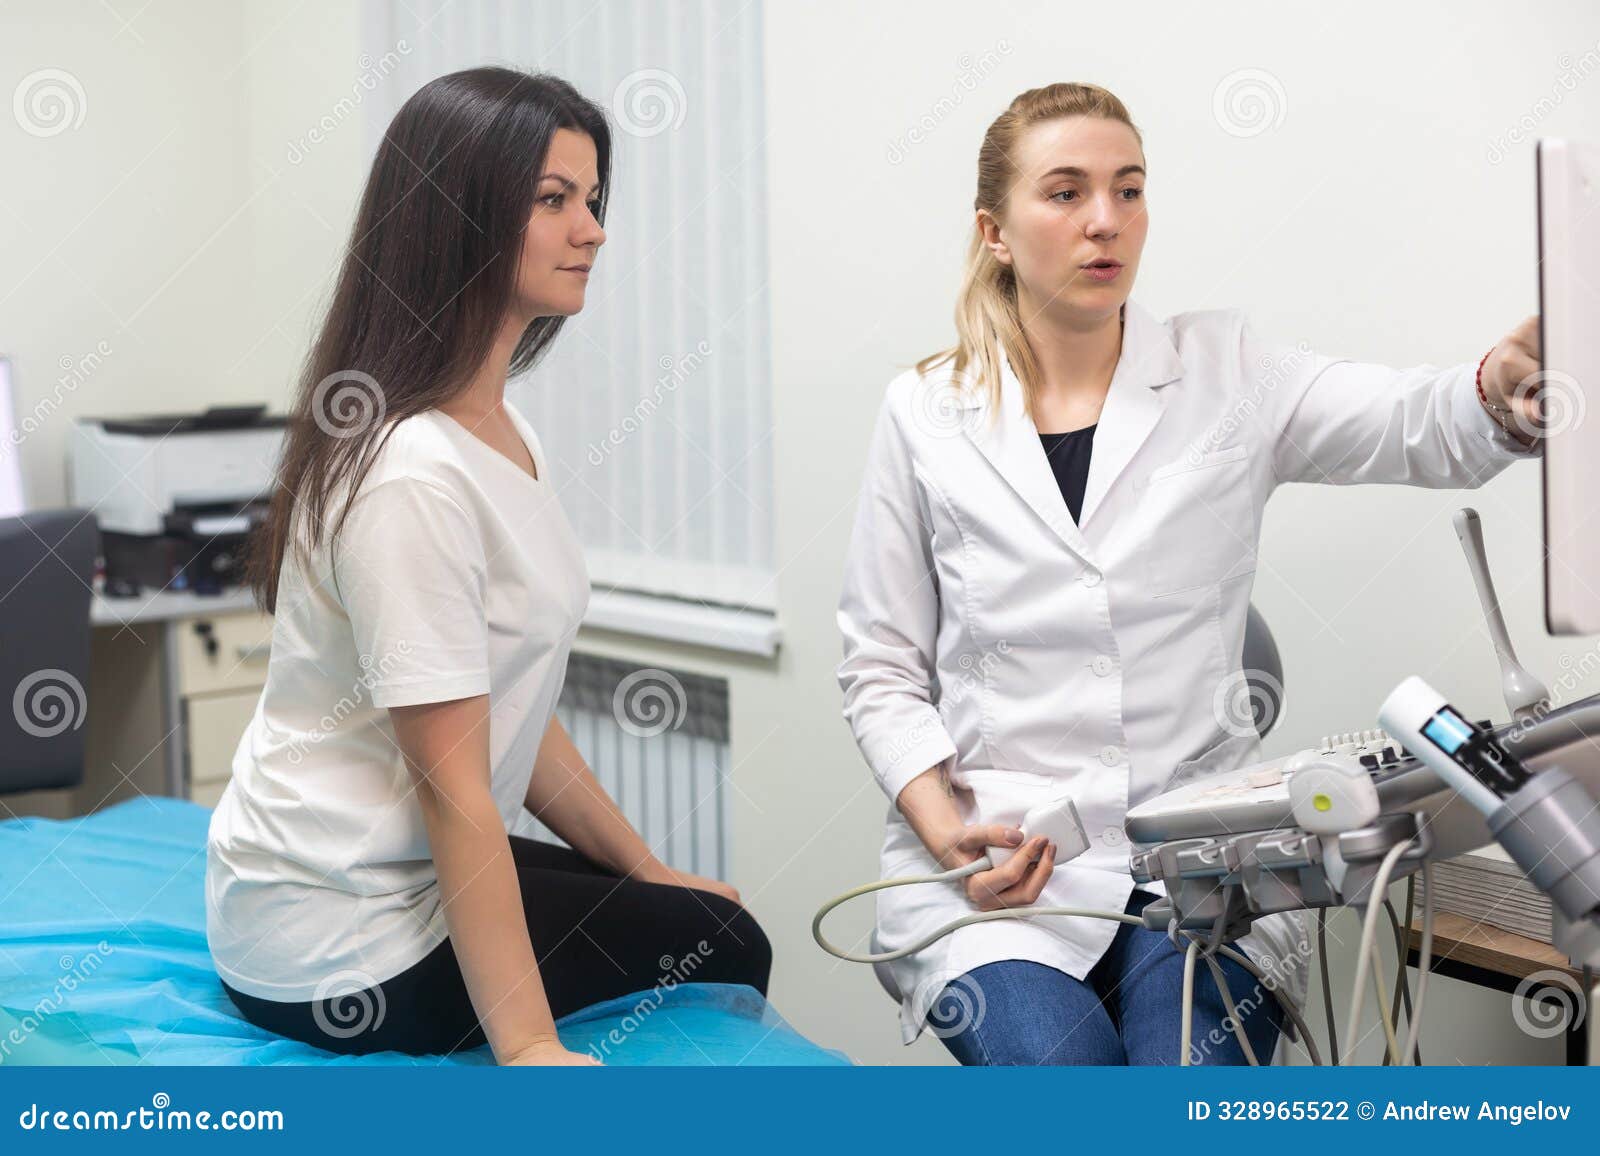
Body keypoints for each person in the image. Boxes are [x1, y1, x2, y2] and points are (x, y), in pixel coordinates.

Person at [836, 81, 1542, 1065]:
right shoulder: (924, 412)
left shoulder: (1225, 370)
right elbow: (877, 663)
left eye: (1128, 191)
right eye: (1066, 192)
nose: (1104, 222)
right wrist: (949, 832)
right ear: (994, 230)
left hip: (1206, 858)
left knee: (1188, 1091)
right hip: (1001, 875)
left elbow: (1411, 419)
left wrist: (1496, 393)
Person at [205, 67, 770, 1066]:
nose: (591, 229)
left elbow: (512, 698)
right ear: (454, 217)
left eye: (591, 200)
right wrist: (529, 1050)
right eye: (552, 201)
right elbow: (456, 789)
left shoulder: (501, 430)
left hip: (385, 880)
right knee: (727, 946)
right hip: (339, 942)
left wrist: (650, 873)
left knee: (694, 915)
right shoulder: (408, 473)